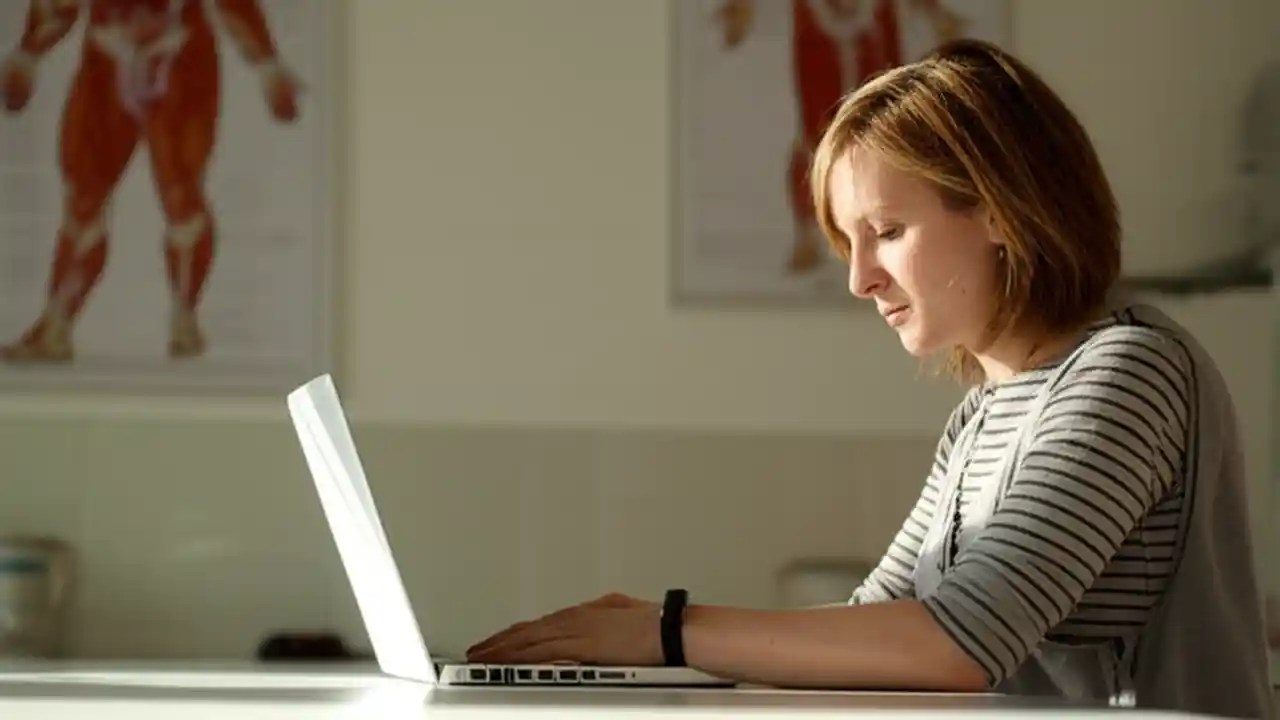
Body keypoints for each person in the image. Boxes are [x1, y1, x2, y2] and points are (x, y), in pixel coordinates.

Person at [464, 39, 1274, 717]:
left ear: (1001, 209)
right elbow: (872, 631)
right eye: (847, 242)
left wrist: (667, 632)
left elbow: (961, 642)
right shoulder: (987, 411)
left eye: (886, 231)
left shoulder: (1127, 371)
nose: (860, 280)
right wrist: (645, 664)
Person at [0, 0, 301, 362]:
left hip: (179, 56)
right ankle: (55, 327)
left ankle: (184, 314)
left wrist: (266, 63)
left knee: (180, 195)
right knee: (83, 197)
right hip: (106, 57)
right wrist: (28, 54)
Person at [717, 0, 964, 274]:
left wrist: (935, 15)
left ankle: (897, 232)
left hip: (875, 27)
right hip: (818, 28)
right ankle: (810, 234)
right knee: (816, 135)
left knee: (888, 127)